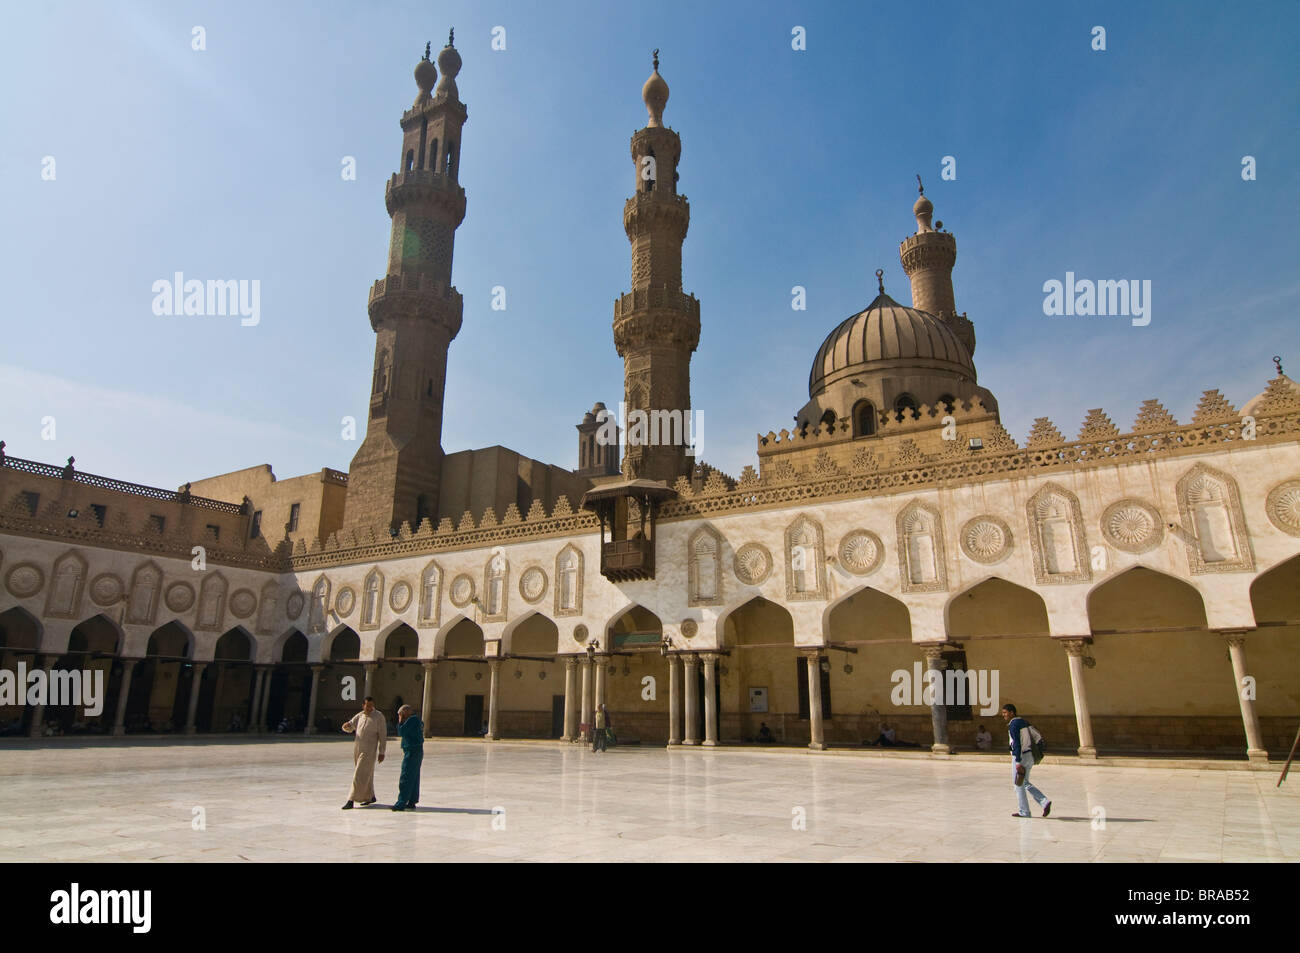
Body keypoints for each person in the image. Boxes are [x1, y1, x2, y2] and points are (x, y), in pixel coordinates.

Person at [1001, 703, 1050, 818]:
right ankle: (1044, 802)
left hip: (1021, 757)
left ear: (1012, 712)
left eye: (1005, 713)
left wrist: (1018, 761)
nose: (1003, 715)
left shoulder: (1013, 725)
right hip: (1029, 756)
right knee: (1024, 782)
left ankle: (1025, 811)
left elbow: (1017, 743)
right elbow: (1038, 738)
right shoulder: (1024, 722)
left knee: (1018, 784)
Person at [341, 696, 386, 809]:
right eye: (368, 705)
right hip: (358, 749)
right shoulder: (360, 715)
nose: (370, 708)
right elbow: (351, 726)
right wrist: (346, 726)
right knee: (366, 774)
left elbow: (382, 735)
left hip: (369, 750)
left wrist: (382, 752)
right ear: (363, 705)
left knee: (359, 774)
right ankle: (370, 797)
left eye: (371, 705)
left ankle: (351, 799)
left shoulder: (378, 717)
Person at [391, 704, 424, 811]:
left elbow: (401, 732)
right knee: (414, 777)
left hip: (412, 751)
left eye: (400, 714)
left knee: (406, 776)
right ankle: (412, 800)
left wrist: (400, 721)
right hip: (417, 750)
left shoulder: (411, 720)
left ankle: (401, 803)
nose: (400, 716)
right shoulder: (417, 720)